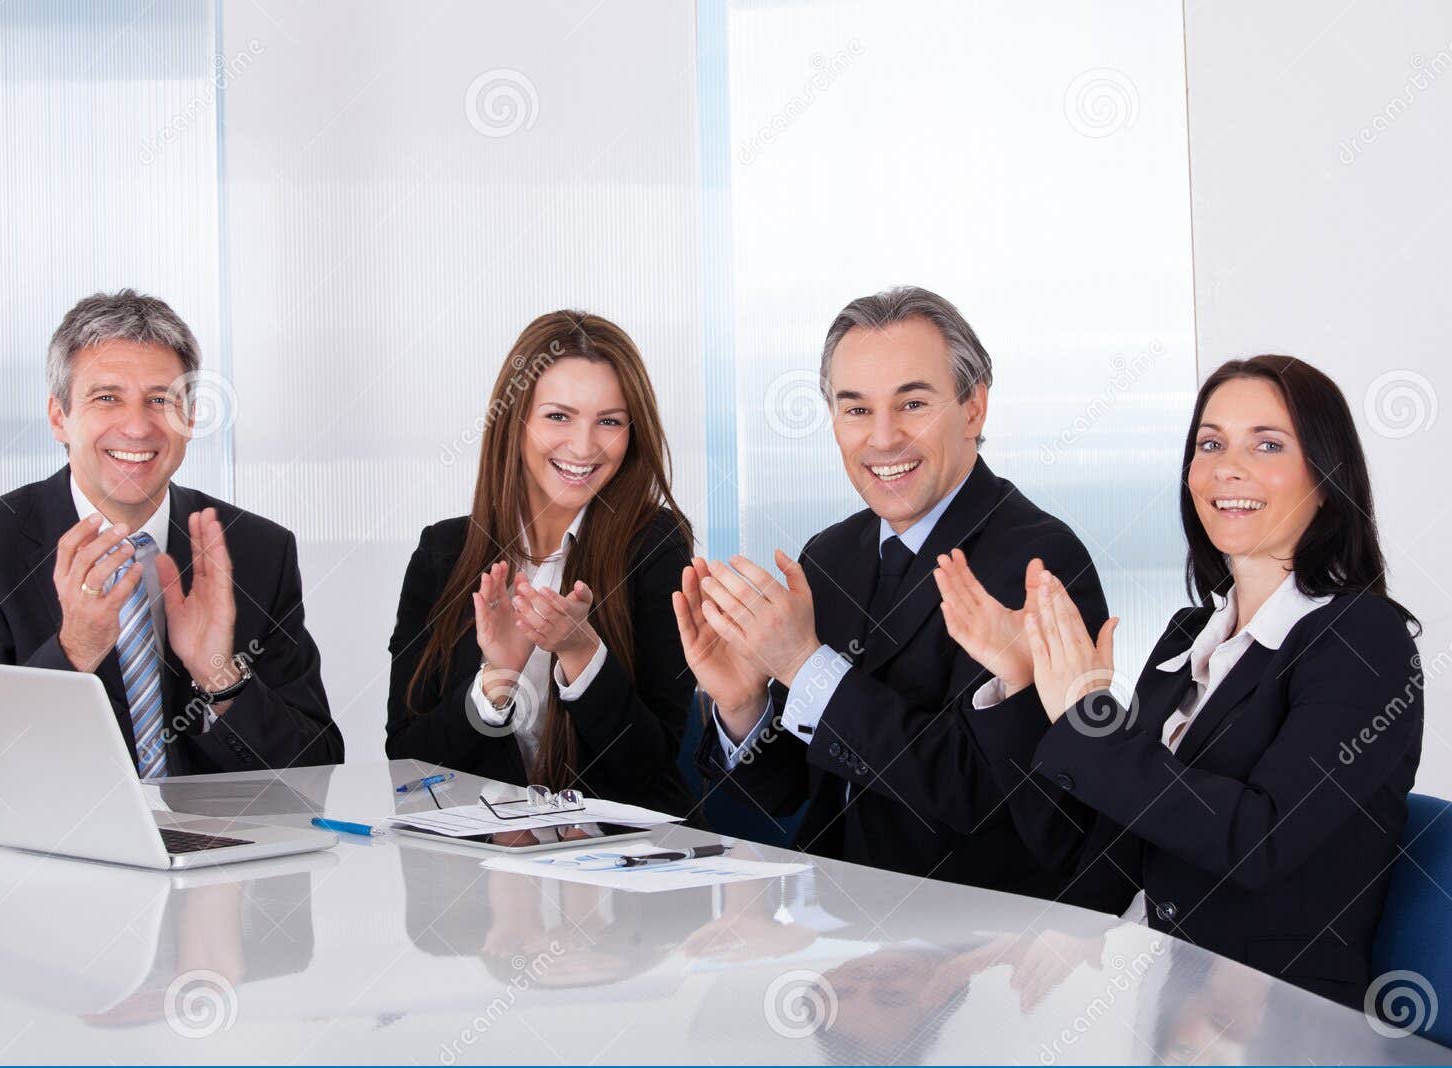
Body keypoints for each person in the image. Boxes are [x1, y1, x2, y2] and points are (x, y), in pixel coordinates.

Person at [944, 355, 1422, 1009]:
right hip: (1125, 984)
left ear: (1326, 474)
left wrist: (1089, 720)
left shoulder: (1363, 641)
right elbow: (1087, 846)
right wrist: (1027, 686)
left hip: (1267, 1023)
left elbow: (1258, 842)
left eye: (1268, 443)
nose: (1229, 465)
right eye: (1210, 443)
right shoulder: (1186, 638)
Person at [677, 285, 1116, 899]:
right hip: (836, 935)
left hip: (974, 942)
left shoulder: (1038, 563)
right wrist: (743, 708)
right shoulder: (830, 556)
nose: (882, 439)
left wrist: (805, 666)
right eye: (856, 410)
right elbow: (788, 795)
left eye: (912, 404)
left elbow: (982, 796)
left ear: (973, 409)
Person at [0, 289, 343, 789]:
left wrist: (221, 679)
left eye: (161, 400)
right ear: (58, 417)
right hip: (52, 860)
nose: (137, 427)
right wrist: (72, 652)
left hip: (221, 859)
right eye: (107, 397)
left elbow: (319, 769)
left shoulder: (258, 549)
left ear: (192, 417)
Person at [386, 310, 696, 815]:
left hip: (617, 869)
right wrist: (498, 678)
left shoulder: (655, 546)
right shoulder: (443, 553)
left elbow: (649, 767)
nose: (584, 446)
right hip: (481, 869)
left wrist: (581, 655)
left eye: (610, 422)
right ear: (516, 420)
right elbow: (409, 765)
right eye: (559, 416)